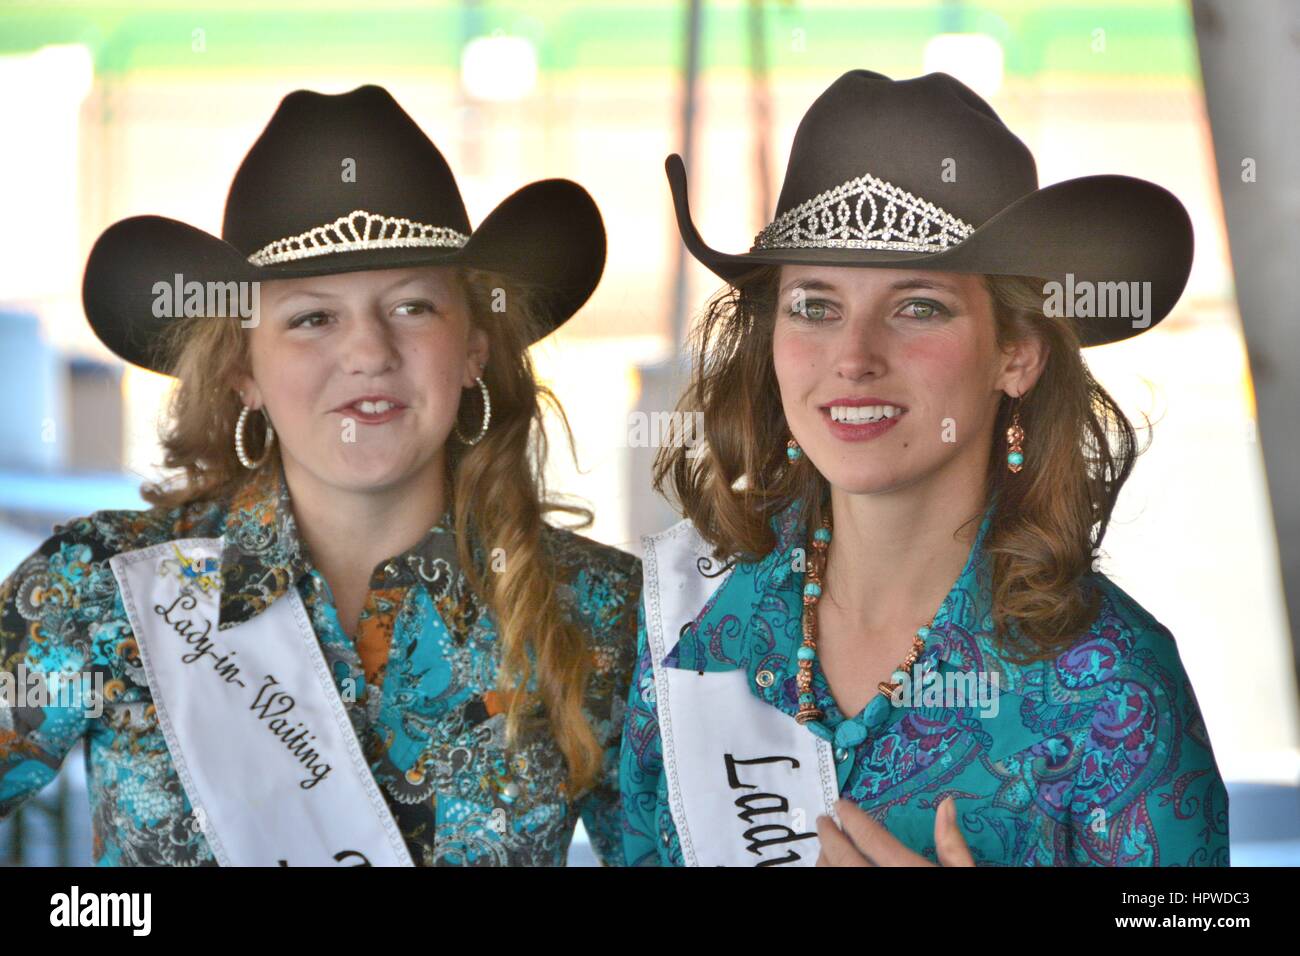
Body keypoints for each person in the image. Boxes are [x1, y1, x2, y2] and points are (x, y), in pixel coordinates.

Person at [0, 85, 640, 867]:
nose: (369, 351)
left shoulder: (598, 613)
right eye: (312, 318)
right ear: (243, 370)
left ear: (474, 348)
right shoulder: (99, 593)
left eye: (411, 307)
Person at [619, 69, 1229, 866]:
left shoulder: (1114, 685)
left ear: (1017, 352)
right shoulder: (687, 624)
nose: (855, 357)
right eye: (814, 305)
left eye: (918, 307)